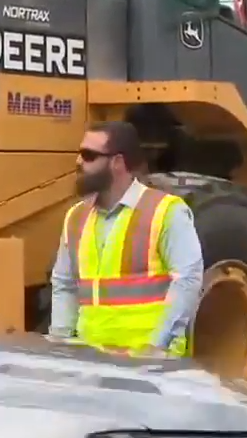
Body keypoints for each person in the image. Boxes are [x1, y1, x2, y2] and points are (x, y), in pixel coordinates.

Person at [48, 121, 205, 357]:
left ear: (117, 163)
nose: (78, 162)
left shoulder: (166, 212)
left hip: (150, 367)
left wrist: (156, 347)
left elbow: (187, 280)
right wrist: (61, 344)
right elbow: (65, 285)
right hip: (93, 365)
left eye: (89, 155)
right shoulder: (75, 217)